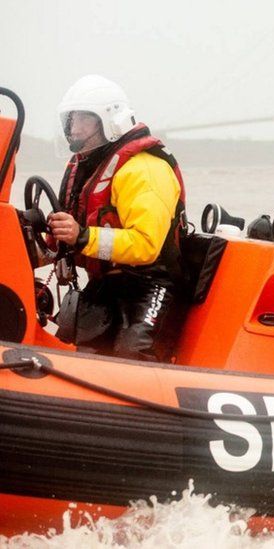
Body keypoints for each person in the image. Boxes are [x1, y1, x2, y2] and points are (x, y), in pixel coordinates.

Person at [48, 74, 188, 362]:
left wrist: (82, 237)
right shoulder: (84, 168)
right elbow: (69, 233)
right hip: (105, 285)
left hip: (151, 286)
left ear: (110, 122)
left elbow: (146, 245)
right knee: (78, 354)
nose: (72, 128)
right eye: (70, 119)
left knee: (133, 354)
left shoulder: (145, 170)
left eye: (82, 119)